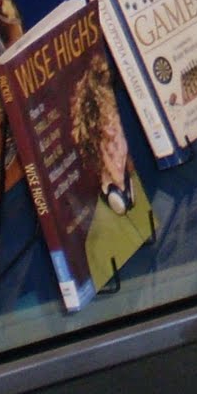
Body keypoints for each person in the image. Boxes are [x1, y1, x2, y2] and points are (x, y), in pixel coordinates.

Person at [71, 51, 151, 278]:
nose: (117, 151)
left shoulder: (138, 191)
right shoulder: (95, 239)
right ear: (94, 147)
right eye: (108, 142)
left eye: (118, 138)